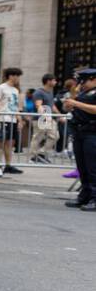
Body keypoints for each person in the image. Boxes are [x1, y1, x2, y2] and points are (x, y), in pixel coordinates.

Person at [62, 68, 96, 211]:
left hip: (93, 133)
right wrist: (70, 103)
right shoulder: (83, 92)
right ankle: (85, 195)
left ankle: (95, 198)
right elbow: (69, 108)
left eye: (85, 81)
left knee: (93, 168)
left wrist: (76, 104)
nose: (82, 84)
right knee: (82, 167)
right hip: (80, 132)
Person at [0, 68, 23, 174]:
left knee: (10, 143)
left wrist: (19, 120)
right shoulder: (1, 88)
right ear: (11, 76)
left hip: (13, 119)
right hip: (3, 119)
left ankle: (8, 165)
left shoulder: (15, 90)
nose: (18, 78)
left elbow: (16, 106)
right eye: (17, 76)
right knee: (0, 143)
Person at [28, 74, 60, 164]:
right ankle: (33, 156)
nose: (55, 82)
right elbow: (38, 104)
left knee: (55, 136)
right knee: (38, 137)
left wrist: (60, 115)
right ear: (48, 81)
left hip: (49, 118)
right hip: (40, 118)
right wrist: (41, 109)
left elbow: (52, 105)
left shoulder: (50, 92)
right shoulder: (39, 92)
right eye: (54, 80)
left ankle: (41, 153)